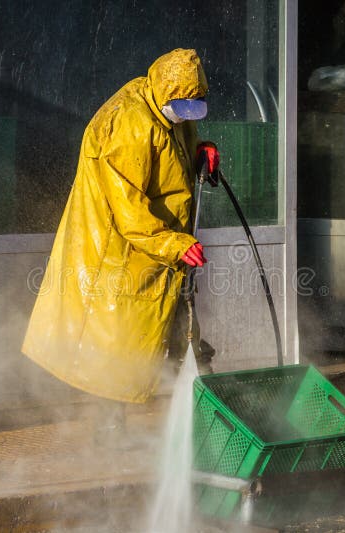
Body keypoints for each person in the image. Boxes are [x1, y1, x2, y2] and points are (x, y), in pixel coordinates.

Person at [22, 49, 218, 414]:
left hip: (157, 250)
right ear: (166, 93)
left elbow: (174, 150)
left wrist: (199, 152)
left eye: (194, 107)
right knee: (116, 352)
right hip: (121, 253)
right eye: (184, 107)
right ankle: (108, 436)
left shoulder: (166, 103)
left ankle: (200, 419)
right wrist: (174, 242)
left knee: (179, 332)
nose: (187, 116)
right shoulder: (129, 125)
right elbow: (128, 208)